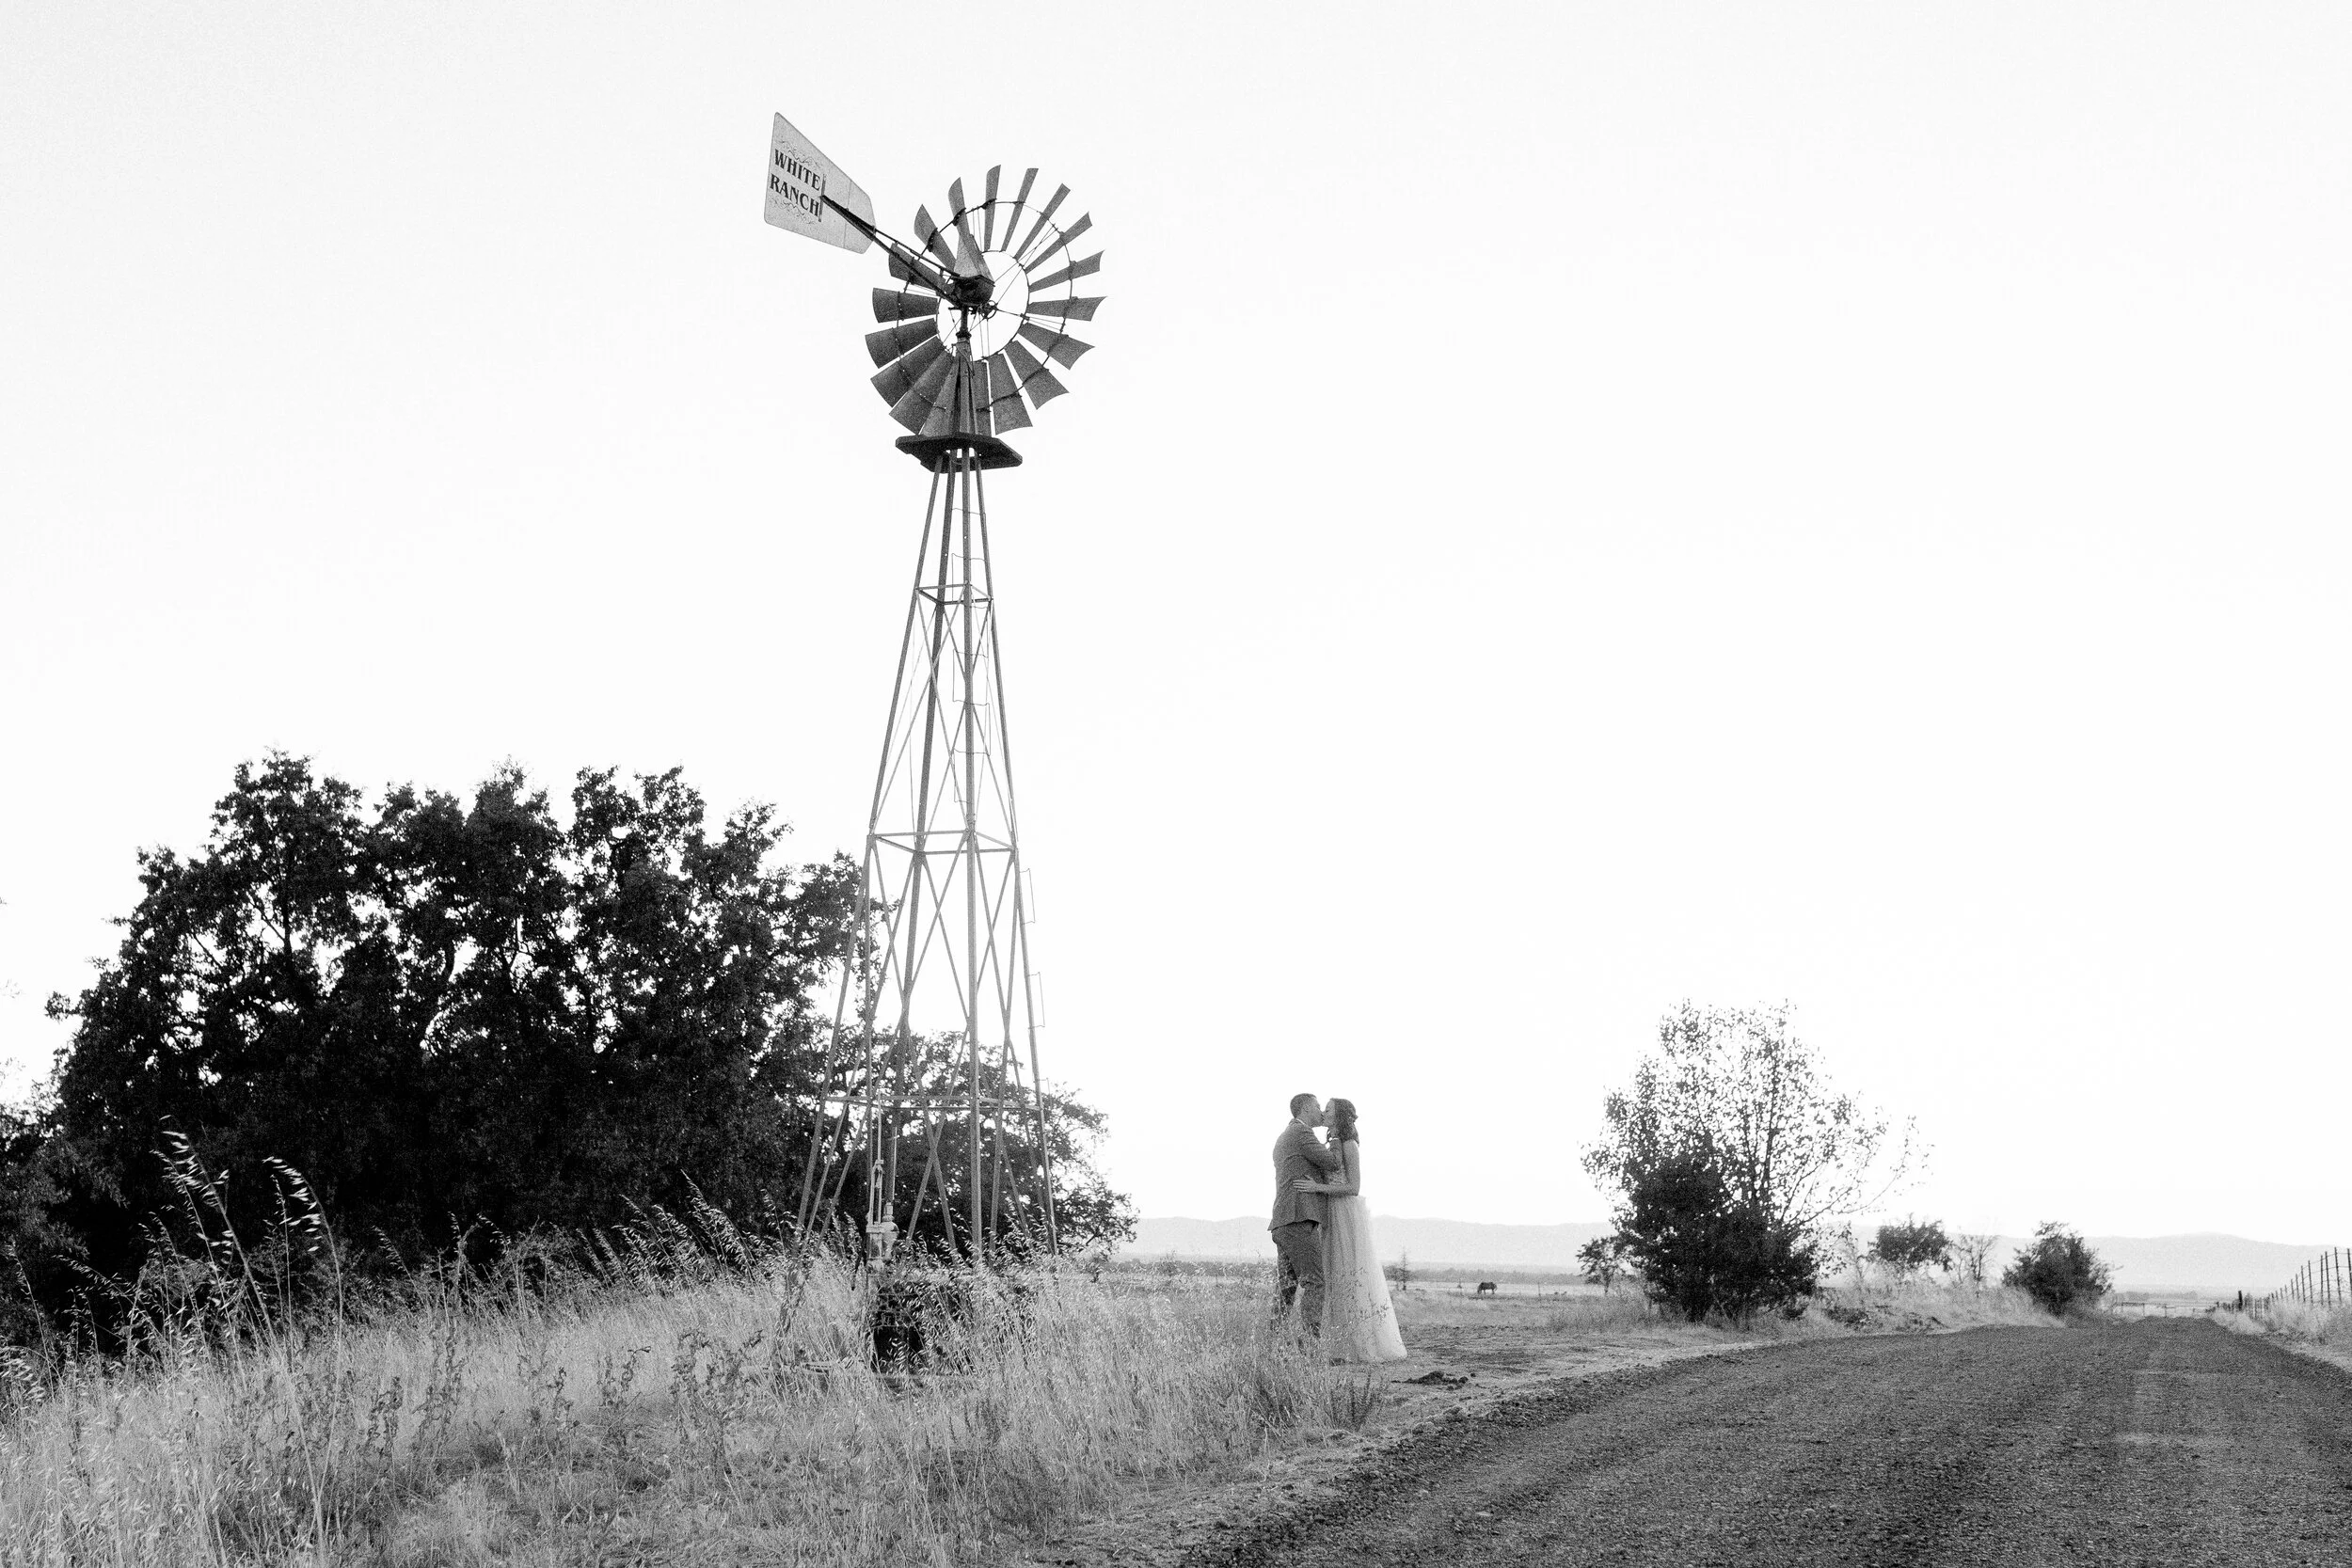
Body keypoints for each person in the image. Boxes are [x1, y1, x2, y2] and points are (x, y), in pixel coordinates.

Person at [1295, 1097, 1408, 1362]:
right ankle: (1333, 1345)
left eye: (1329, 1109)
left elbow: (1353, 1187)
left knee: (1347, 1273)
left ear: (1339, 1116)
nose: (1323, 1112)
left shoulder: (1348, 1143)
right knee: (1331, 1274)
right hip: (1329, 1209)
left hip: (1344, 1211)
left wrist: (1318, 1188)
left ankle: (1356, 1345)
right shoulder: (1332, 1143)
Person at [1269, 1092, 1343, 1334]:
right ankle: (1309, 1344)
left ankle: (1275, 1339)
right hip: (1300, 1218)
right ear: (1306, 1109)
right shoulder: (1301, 1133)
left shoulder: (1286, 1136)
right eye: (1318, 1106)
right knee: (1314, 1282)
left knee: (1287, 1286)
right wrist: (1335, 1137)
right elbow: (1333, 1162)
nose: (1321, 1111)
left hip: (1283, 1221)